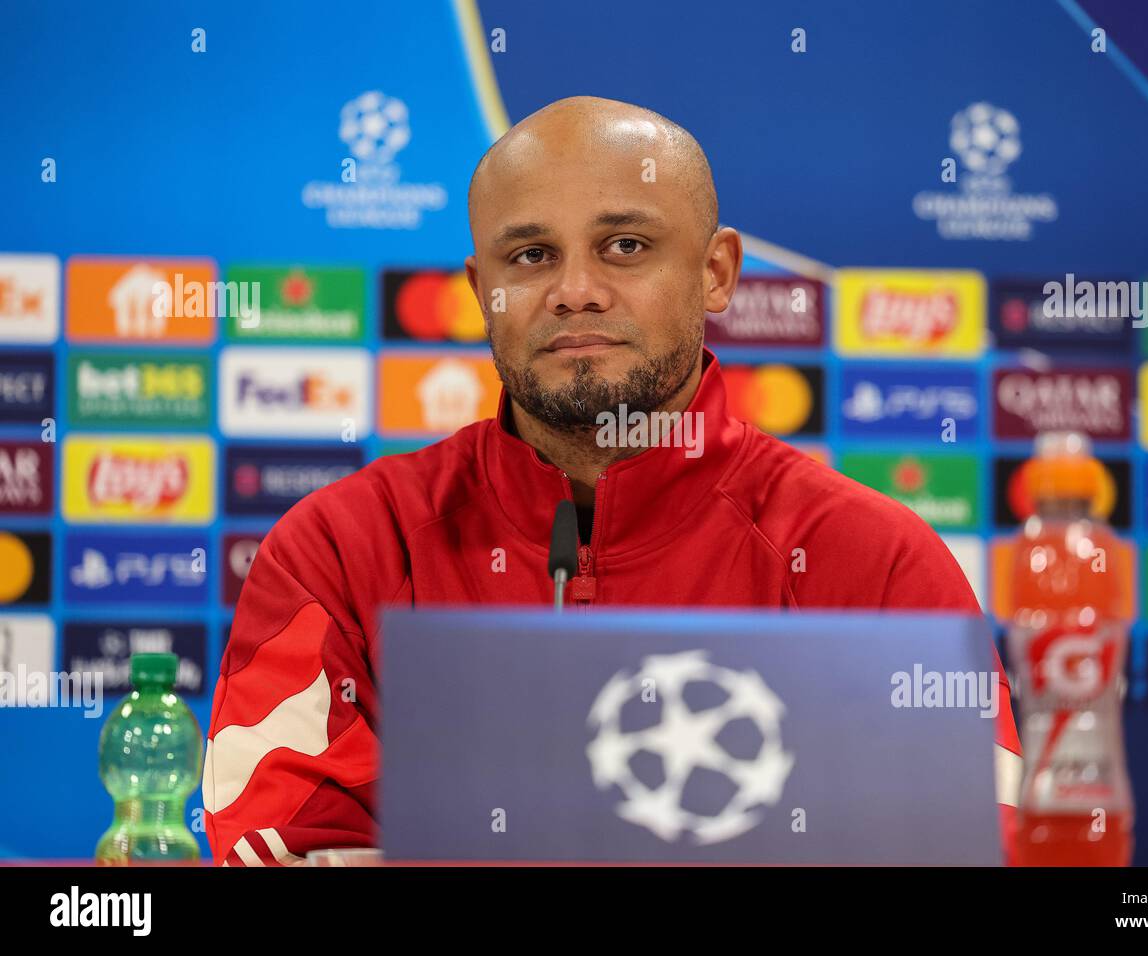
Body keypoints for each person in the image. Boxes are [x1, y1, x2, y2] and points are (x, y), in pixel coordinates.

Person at [202, 96, 1022, 866]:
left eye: (625, 245)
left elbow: (980, 846)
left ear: (716, 272)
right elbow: (283, 842)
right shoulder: (341, 550)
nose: (575, 292)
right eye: (530, 256)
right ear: (479, 293)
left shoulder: (870, 561)